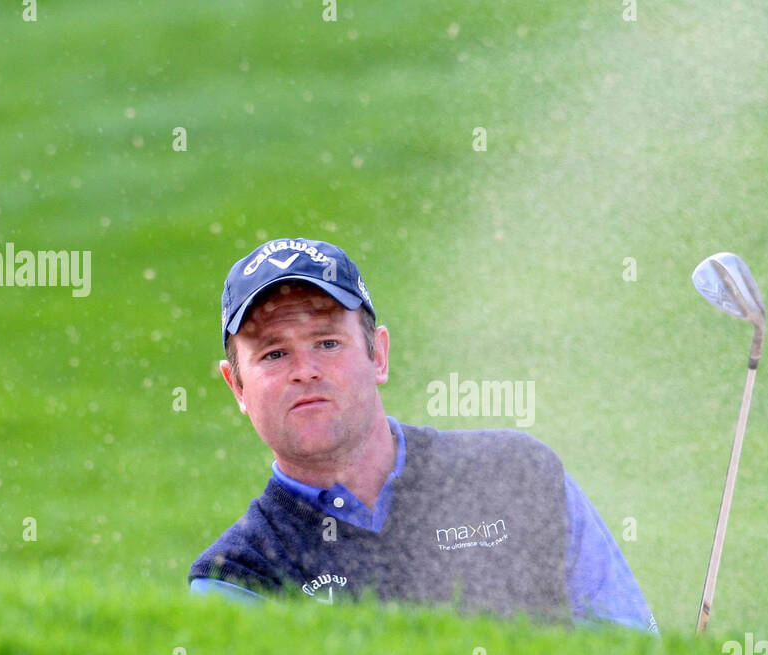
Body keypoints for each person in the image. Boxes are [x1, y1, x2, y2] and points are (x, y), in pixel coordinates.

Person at [188, 237, 657, 634]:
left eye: (328, 343)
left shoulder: (518, 473)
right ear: (237, 386)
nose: (305, 371)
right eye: (273, 354)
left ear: (379, 356)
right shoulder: (237, 576)